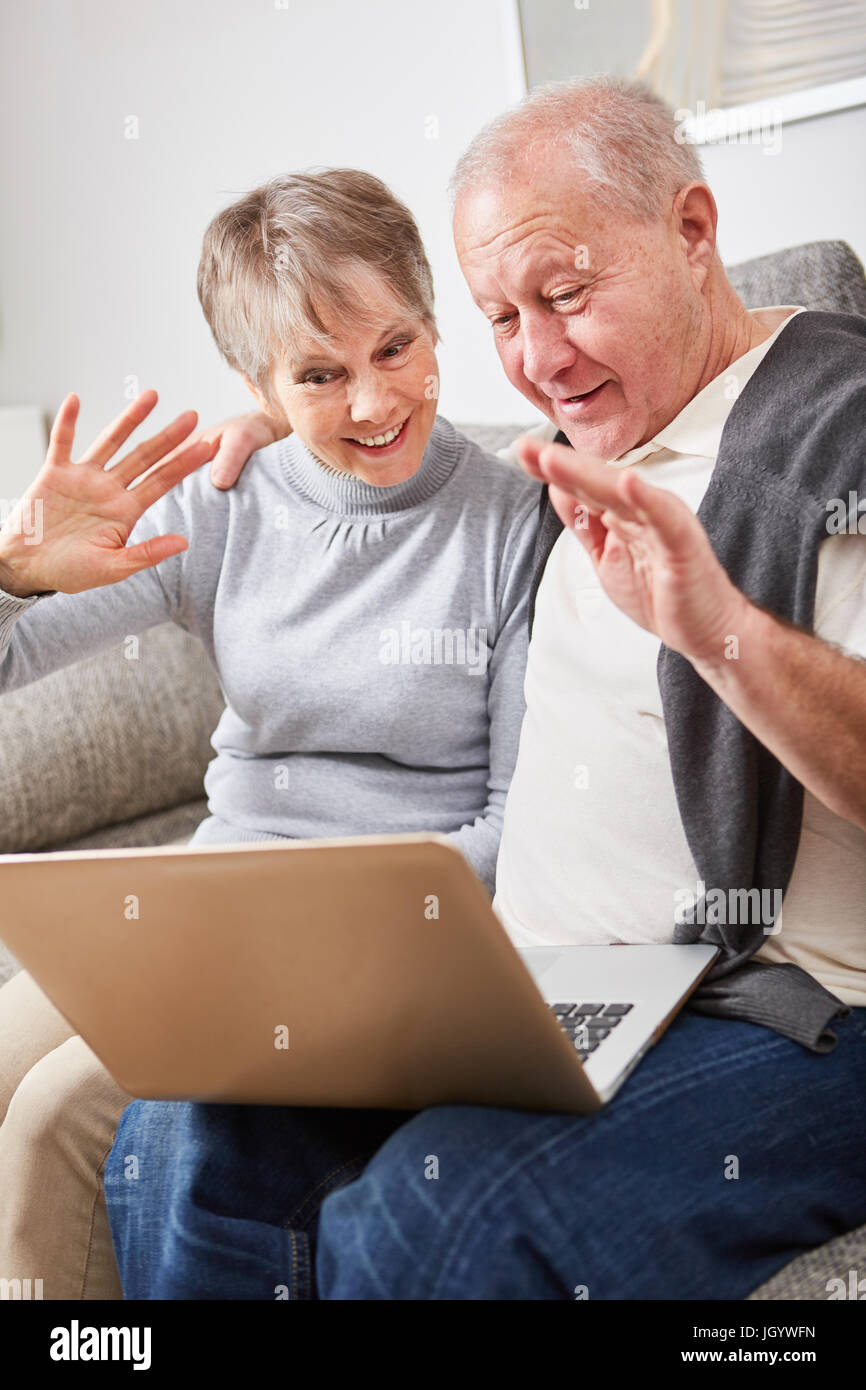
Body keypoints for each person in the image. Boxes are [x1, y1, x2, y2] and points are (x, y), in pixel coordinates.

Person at [105, 75, 866, 1301]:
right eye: (500, 317)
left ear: (690, 229)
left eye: (565, 296)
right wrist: (268, 431)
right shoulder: (569, 446)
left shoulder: (835, 430)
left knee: (434, 1223)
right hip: (544, 988)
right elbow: (380, 433)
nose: (540, 358)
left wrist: (720, 633)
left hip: (787, 1007)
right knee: (183, 1139)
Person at [0, 169, 540, 1299]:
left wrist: (344, 913)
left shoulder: (510, 519)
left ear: (433, 325)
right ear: (256, 382)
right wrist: (17, 578)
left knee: (53, 1115)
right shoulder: (221, 500)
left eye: (396, 347)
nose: (371, 401)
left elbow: (518, 819)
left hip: (390, 933)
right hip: (221, 896)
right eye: (318, 375)